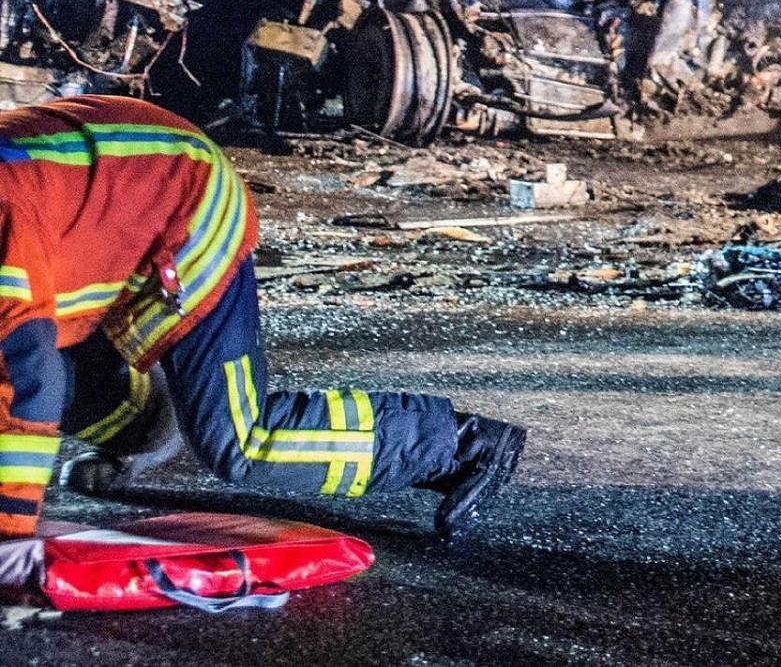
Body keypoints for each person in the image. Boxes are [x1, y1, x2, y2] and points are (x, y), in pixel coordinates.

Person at [0, 95, 527, 592]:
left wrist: (9, 533)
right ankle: (143, 426)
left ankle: (460, 445)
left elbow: (29, 387)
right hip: (115, 208)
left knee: (239, 441)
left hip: (189, 204)